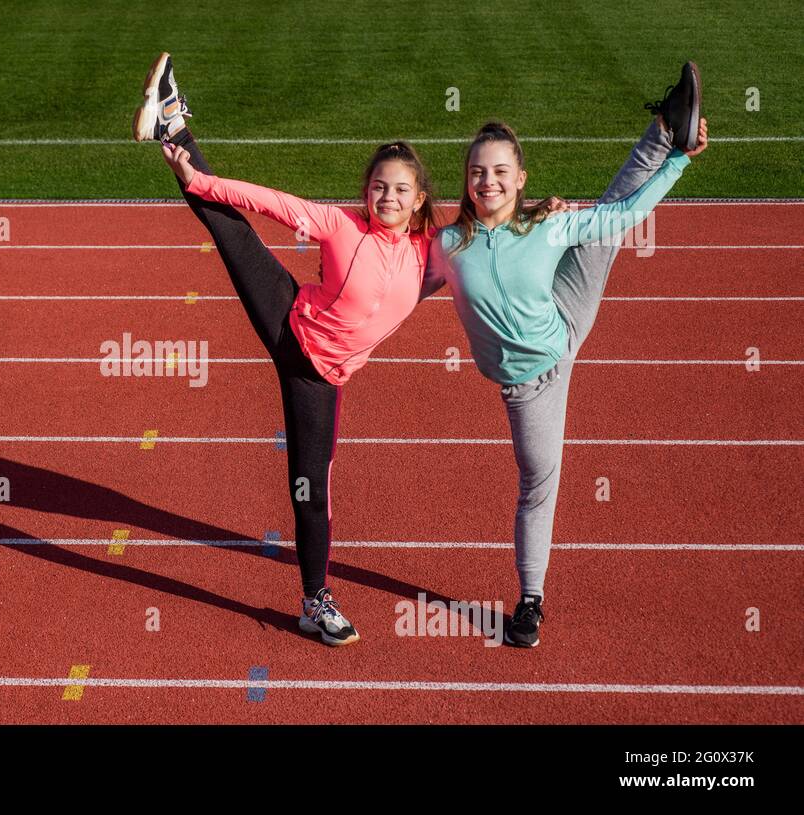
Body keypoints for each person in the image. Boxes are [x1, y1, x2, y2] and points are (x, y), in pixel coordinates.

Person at [132, 52, 442, 646]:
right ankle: (174, 123)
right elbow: (268, 202)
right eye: (379, 185)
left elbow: (490, 241)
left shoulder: (433, 254)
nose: (388, 196)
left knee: (310, 488)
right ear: (366, 191)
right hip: (287, 320)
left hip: (318, 381)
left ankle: (310, 601)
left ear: (420, 198)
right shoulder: (339, 224)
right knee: (231, 229)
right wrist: (198, 181)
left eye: (401, 188)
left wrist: (547, 218)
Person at [422, 62, 708, 646]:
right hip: (531, 385)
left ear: (520, 177)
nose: (489, 181)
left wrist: (678, 160)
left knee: (603, 220)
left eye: (501, 171)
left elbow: (625, 216)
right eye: (479, 172)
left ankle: (530, 600)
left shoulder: (547, 228)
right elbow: (398, 287)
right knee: (537, 479)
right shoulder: (447, 247)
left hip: (566, 314)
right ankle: (665, 132)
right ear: (466, 179)